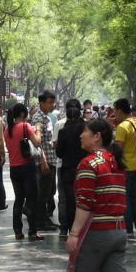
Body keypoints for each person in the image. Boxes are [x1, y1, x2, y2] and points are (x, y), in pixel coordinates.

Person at [46, 118, 136, 272]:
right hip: (118, 230)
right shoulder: (116, 162)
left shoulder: (89, 164)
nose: (81, 135)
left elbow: (85, 204)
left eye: (86, 132)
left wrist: (74, 234)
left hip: (96, 233)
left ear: (97, 136)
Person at [3, 103, 42, 242]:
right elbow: (37, 143)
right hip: (27, 167)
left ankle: (18, 231)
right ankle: (32, 232)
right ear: (22, 114)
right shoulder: (25, 126)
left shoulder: (7, 129)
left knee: (19, 199)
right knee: (31, 200)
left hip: (14, 169)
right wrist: (38, 130)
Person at [113, 98, 136, 239]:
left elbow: (118, 149)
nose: (114, 113)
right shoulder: (135, 122)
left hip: (126, 167)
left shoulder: (122, 127)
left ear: (120, 110)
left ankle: (128, 230)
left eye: (115, 110)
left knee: (126, 199)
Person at [55, 100, 88, 241]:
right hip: (85, 170)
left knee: (69, 201)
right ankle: (84, 229)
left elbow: (59, 153)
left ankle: (70, 229)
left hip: (68, 170)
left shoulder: (63, 132)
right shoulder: (86, 130)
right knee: (84, 200)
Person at [30, 90, 58, 231]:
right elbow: (38, 142)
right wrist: (43, 161)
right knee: (44, 192)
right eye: (49, 102)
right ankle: (40, 220)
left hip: (51, 159)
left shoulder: (46, 117)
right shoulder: (38, 118)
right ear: (41, 103)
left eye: (53, 102)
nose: (52, 105)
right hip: (44, 160)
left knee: (49, 191)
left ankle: (43, 218)